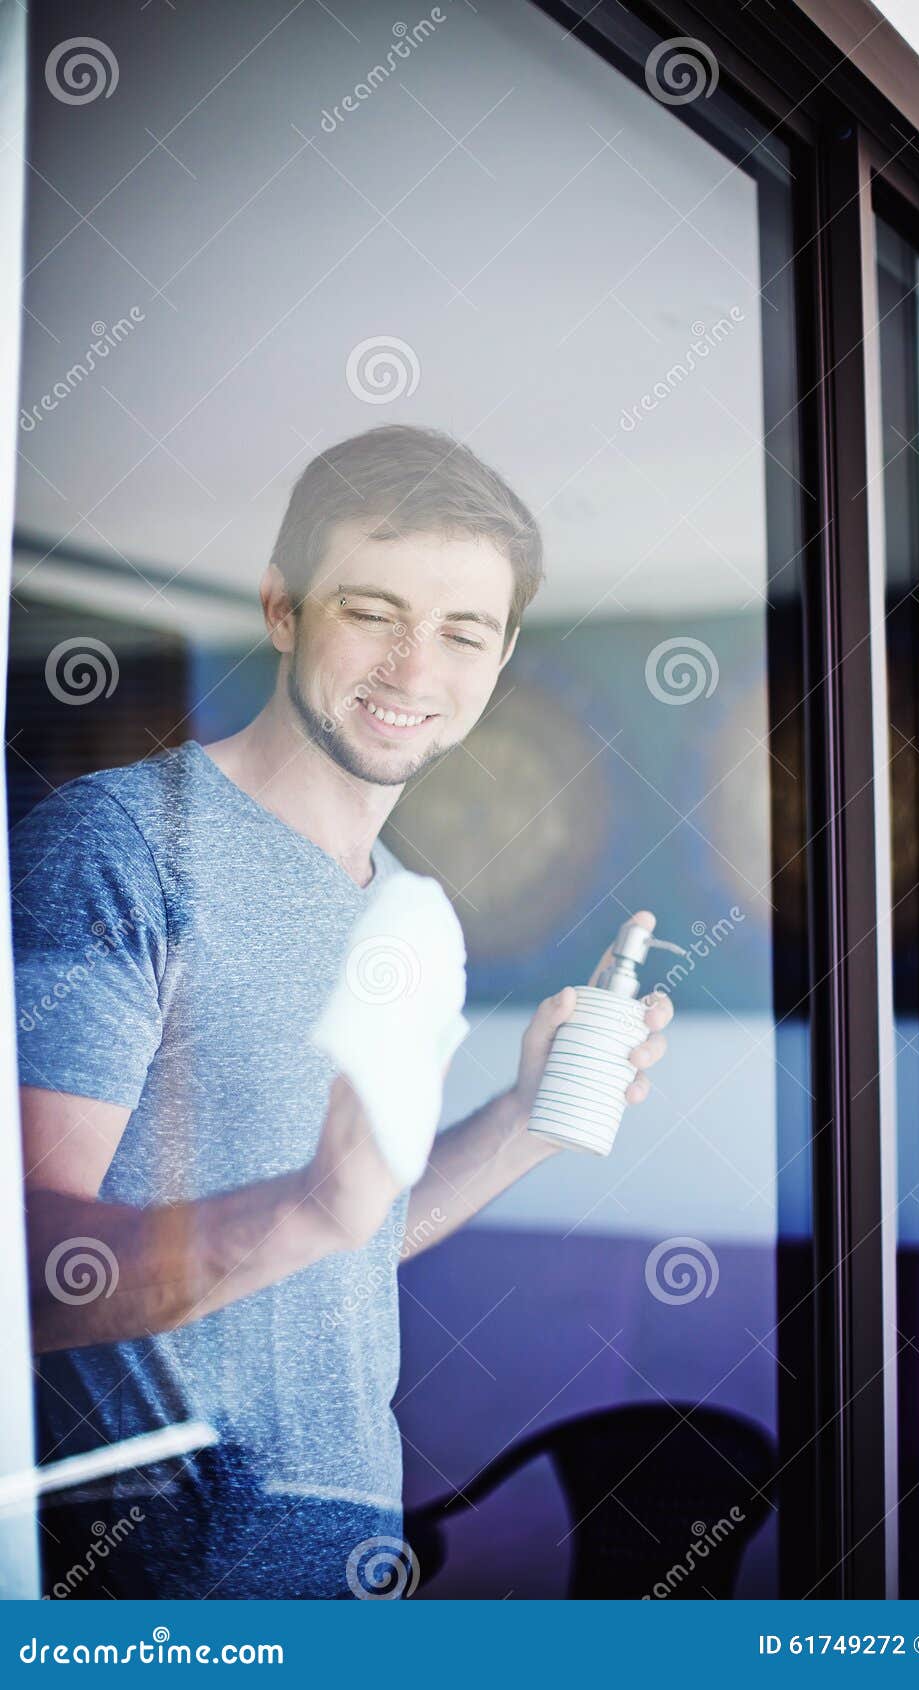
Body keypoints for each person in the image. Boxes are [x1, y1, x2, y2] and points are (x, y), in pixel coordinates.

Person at [12, 424, 673, 1598]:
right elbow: (25, 1270)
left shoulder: (407, 911)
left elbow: (343, 1242)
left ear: (501, 654)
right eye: (373, 610)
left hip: (340, 1571)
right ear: (281, 609)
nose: (415, 669)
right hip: (156, 1588)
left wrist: (525, 1113)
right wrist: (311, 1207)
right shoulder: (118, 848)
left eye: (463, 630)